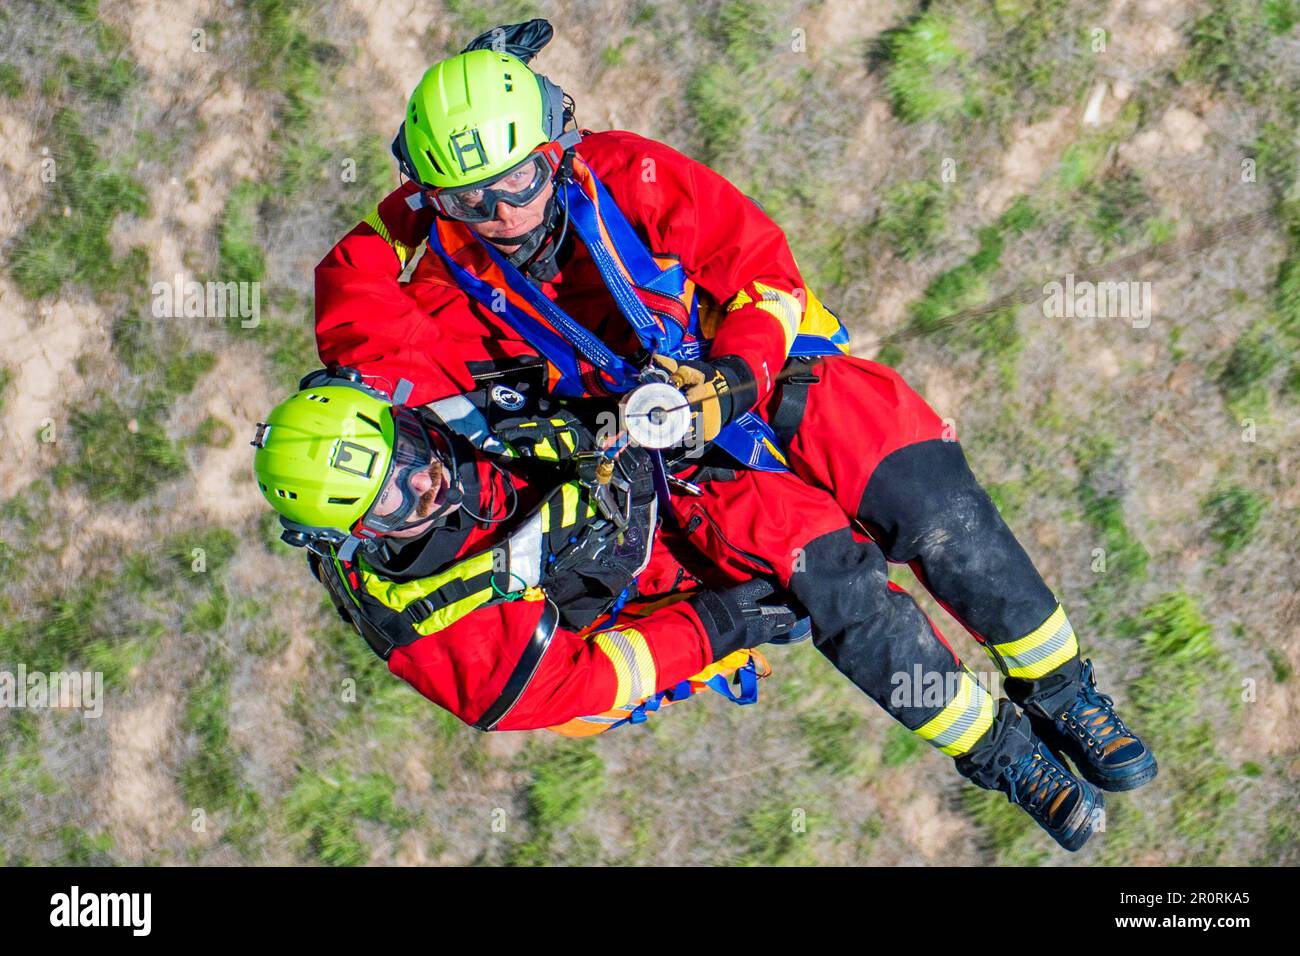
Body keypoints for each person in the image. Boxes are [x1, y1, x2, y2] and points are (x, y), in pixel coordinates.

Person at [310, 21, 1157, 850]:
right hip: (668, 472)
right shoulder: (442, 310)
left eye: (518, 179)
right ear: (431, 198)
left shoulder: (625, 175)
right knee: (836, 584)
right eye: (468, 199)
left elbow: (760, 271)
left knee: (926, 496)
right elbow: (350, 285)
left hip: (756, 381)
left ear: (556, 147)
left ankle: (1065, 687)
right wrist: (415, 211)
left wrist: (732, 378)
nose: (502, 213)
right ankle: (1003, 754)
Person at [252, 367, 804, 734]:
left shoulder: (386, 401)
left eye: (410, 450)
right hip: (598, 639)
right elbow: (585, 682)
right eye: (393, 502)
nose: (425, 481)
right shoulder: (444, 636)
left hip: (615, 507)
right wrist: (718, 624)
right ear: (361, 535)